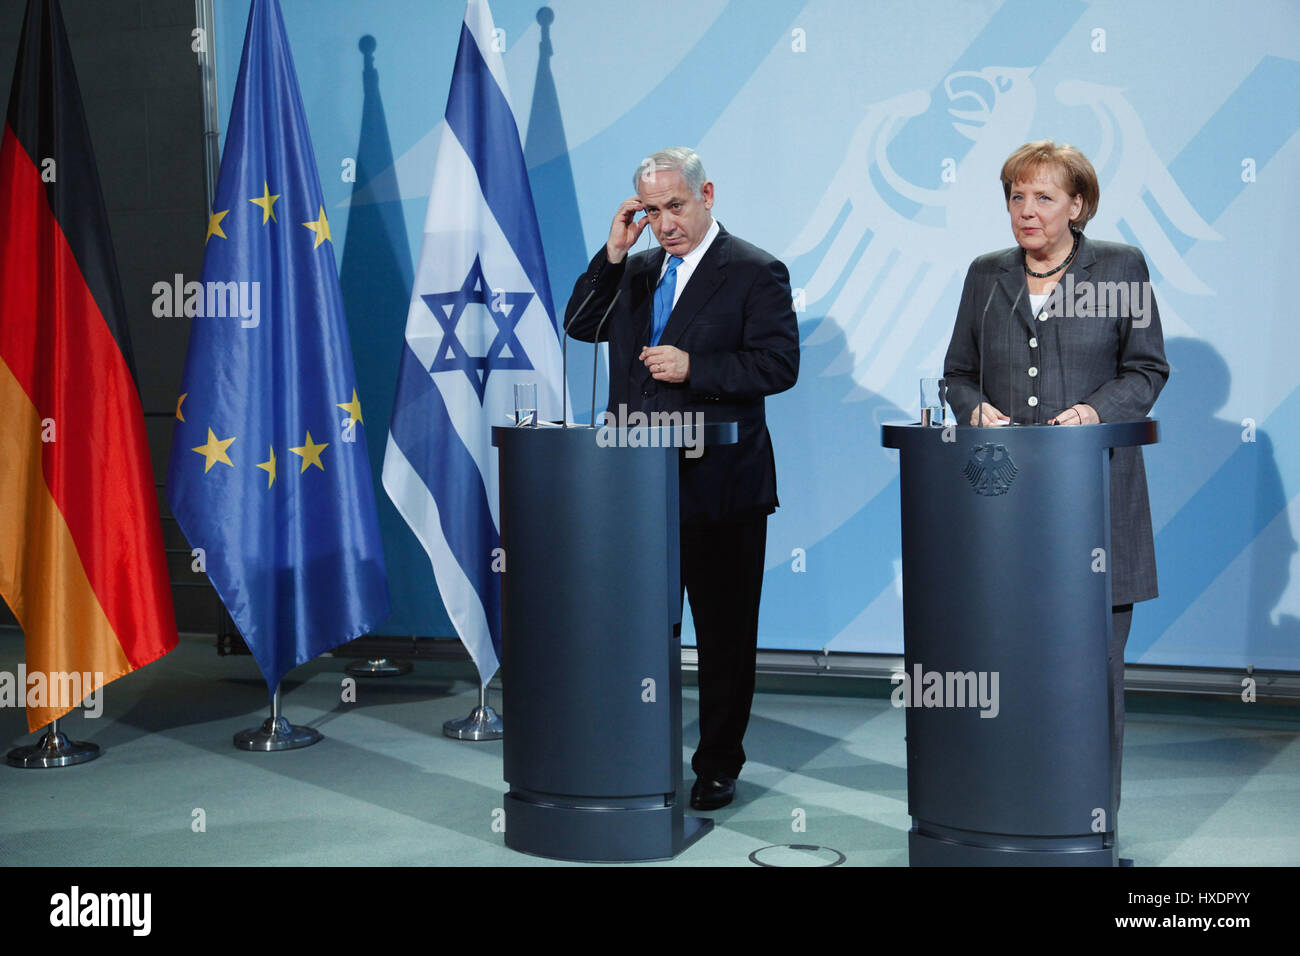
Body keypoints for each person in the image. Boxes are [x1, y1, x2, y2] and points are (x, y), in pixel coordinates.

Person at [943, 140, 1169, 852]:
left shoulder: (1121, 268)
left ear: (1078, 205)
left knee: (1090, 677)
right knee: (1005, 667)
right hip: (1003, 512)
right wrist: (973, 409)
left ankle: (1087, 830)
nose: (1027, 210)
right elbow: (957, 374)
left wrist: (1093, 412)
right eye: (1017, 196)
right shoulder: (986, 274)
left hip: (1093, 505)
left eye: (1044, 197)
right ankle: (1011, 818)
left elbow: (1147, 369)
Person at [565, 147, 799, 811]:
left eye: (676, 206)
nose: (665, 223)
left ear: (707, 195)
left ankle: (718, 764)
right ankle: (633, 750)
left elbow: (778, 366)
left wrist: (695, 366)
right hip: (634, 486)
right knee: (633, 631)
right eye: (651, 210)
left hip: (719, 486)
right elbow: (578, 325)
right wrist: (613, 253)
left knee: (723, 636)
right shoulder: (635, 272)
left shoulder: (753, 270)